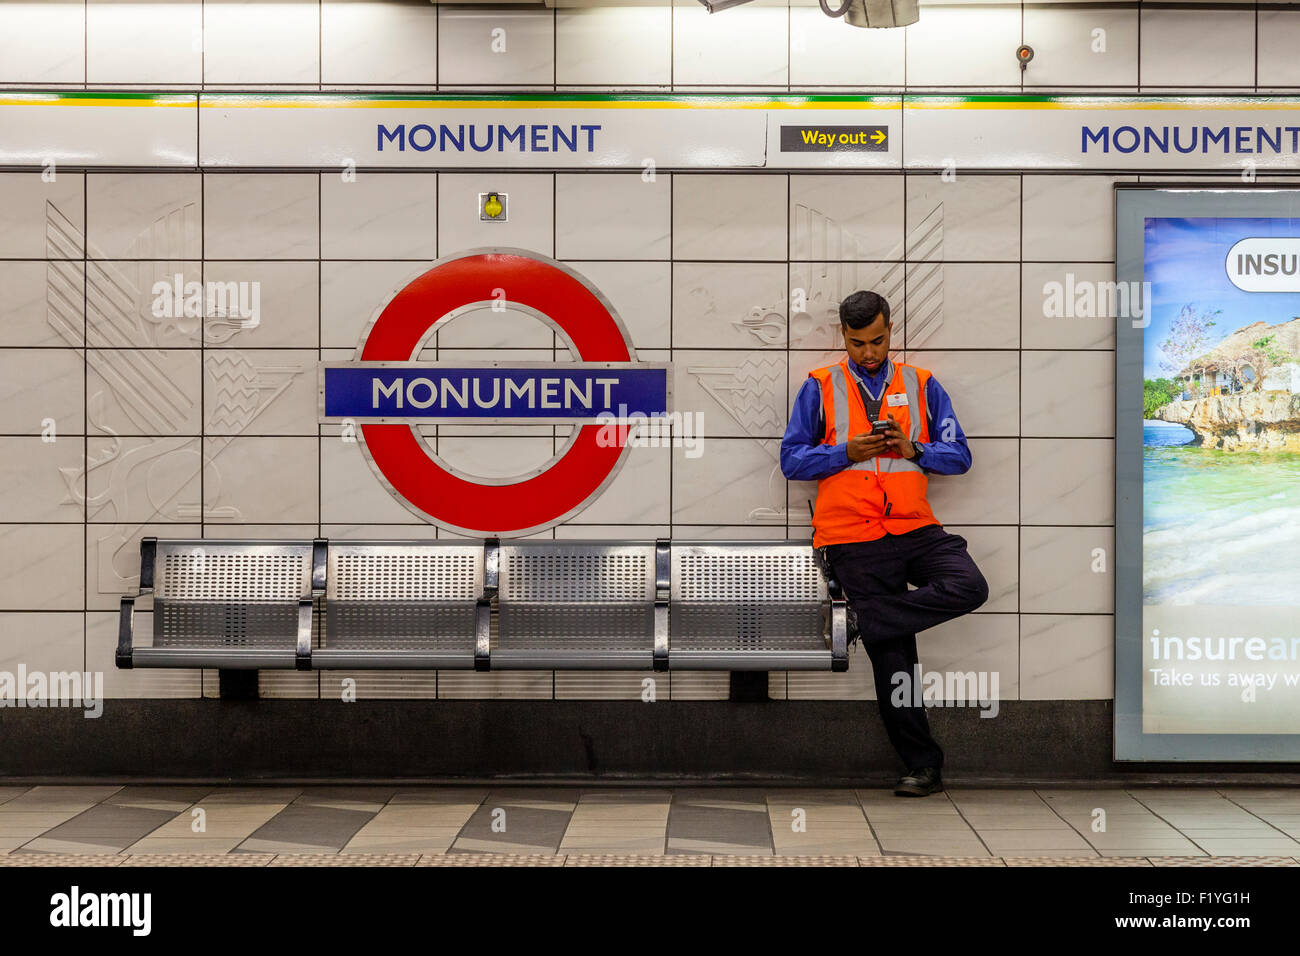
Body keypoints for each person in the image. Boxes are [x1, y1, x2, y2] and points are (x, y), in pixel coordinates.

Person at [780, 290, 989, 797]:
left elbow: (959, 456)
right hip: (851, 536)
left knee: (970, 586)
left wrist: (913, 447)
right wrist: (843, 452)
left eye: (876, 341)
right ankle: (923, 767)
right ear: (843, 338)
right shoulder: (819, 385)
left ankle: (863, 621)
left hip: (916, 529)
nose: (868, 353)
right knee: (895, 660)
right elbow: (792, 461)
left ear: (891, 330)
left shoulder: (921, 384)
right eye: (856, 344)